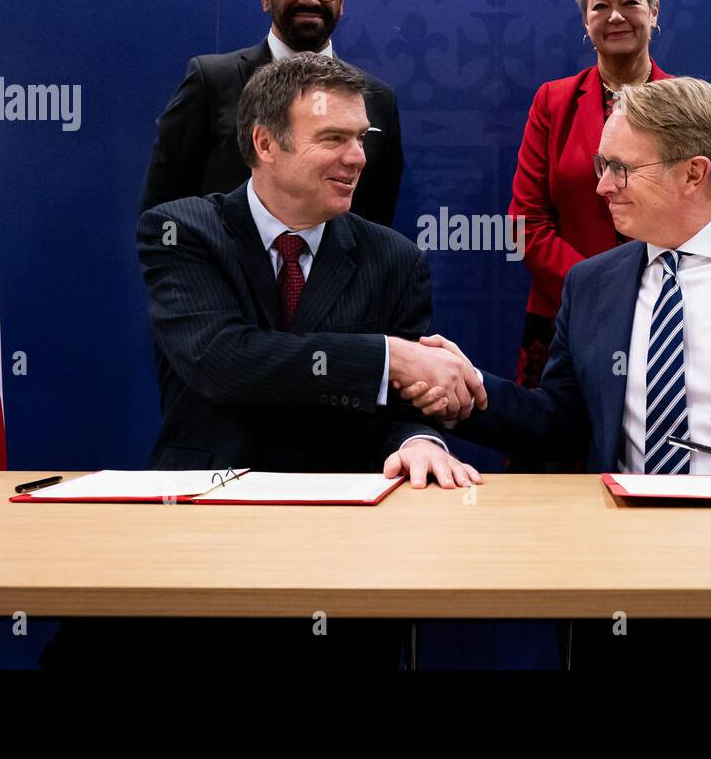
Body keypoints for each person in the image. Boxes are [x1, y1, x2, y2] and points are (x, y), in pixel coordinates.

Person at [402, 76, 711, 668]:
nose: (599, 187)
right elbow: (562, 423)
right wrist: (474, 393)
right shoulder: (592, 283)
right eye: (600, 165)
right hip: (624, 573)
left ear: (693, 173)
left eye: (619, 168)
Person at [44, 53, 481, 670]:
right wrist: (387, 357)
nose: (357, 157)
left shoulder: (395, 258)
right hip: (197, 532)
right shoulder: (181, 232)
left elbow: (404, 403)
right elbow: (220, 358)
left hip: (343, 537)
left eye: (362, 138)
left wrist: (419, 441)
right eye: (333, 138)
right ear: (264, 142)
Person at [510, 0, 711, 393]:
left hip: (672, 314)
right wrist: (598, 292)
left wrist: (648, 294)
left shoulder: (691, 103)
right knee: (556, 449)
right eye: (600, 5)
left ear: (654, 12)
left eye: (630, 1)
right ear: (585, 21)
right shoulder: (552, 102)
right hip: (566, 313)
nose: (616, 16)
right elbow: (526, 224)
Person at [140, 0, 404, 227]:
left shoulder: (378, 99)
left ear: (341, 0)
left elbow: (379, 225)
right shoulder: (210, 82)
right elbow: (161, 212)